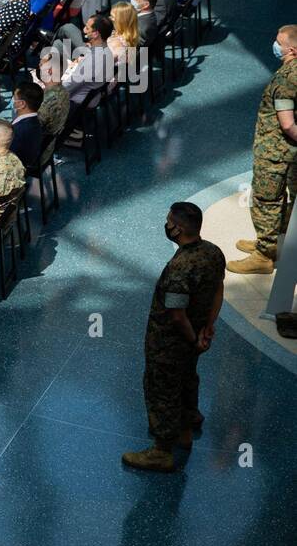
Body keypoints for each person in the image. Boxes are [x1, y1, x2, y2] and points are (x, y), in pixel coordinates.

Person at [122, 203, 225, 472]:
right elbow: (218, 290)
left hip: (170, 341)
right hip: (197, 333)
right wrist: (207, 329)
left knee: (162, 389)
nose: (166, 224)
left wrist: (192, 339)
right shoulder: (213, 253)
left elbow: (177, 314)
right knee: (187, 379)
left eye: (169, 221)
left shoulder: (180, 268)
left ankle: (161, 450)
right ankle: (185, 431)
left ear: (177, 228)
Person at [228, 25, 297, 274]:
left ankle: (265, 254)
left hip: (275, 151)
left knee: (267, 200)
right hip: (291, 153)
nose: (275, 44)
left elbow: (288, 124)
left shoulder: (285, 79)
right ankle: (276, 241)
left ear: (292, 49)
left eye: (279, 41)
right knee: (288, 197)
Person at [36, 49, 71, 138]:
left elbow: (29, 129)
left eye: (41, 65)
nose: (38, 67)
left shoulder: (45, 103)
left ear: (50, 70)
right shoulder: (65, 92)